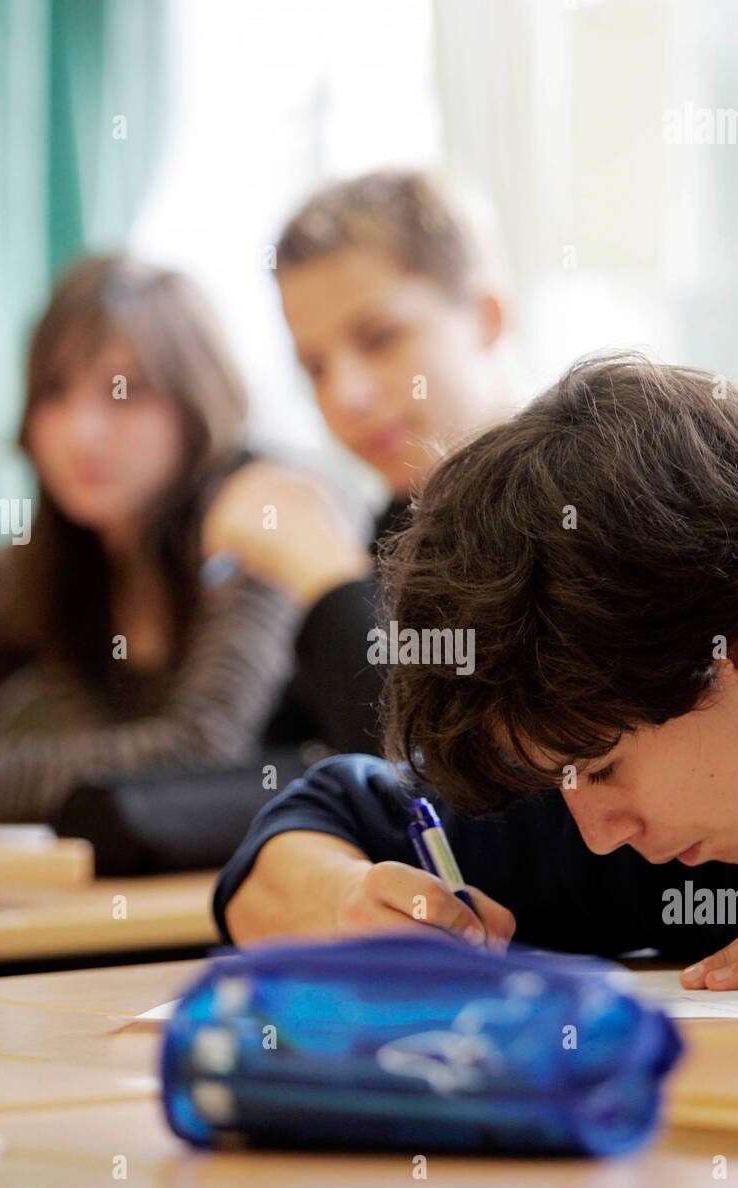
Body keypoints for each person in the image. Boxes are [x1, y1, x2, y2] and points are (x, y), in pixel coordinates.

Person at [214, 352, 738, 993]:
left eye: (608, 766)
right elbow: (319, 822)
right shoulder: (589, 780)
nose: (601, 836)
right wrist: (345, 905)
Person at [0, 255, 303, 823]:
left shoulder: (264, 517)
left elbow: (200, 755)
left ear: (198, 399)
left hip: (301, 890)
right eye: (55, 391)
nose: (84, 431)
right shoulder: (57, 550)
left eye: (125, 391)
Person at [203, 168, 516, 754]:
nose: (346, 396)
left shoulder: (578, 519)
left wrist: (328, 581)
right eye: (314, 367)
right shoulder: (397, 528)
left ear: (487, 318)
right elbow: (291, 765)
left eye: (379, 337)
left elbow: (437, 774)